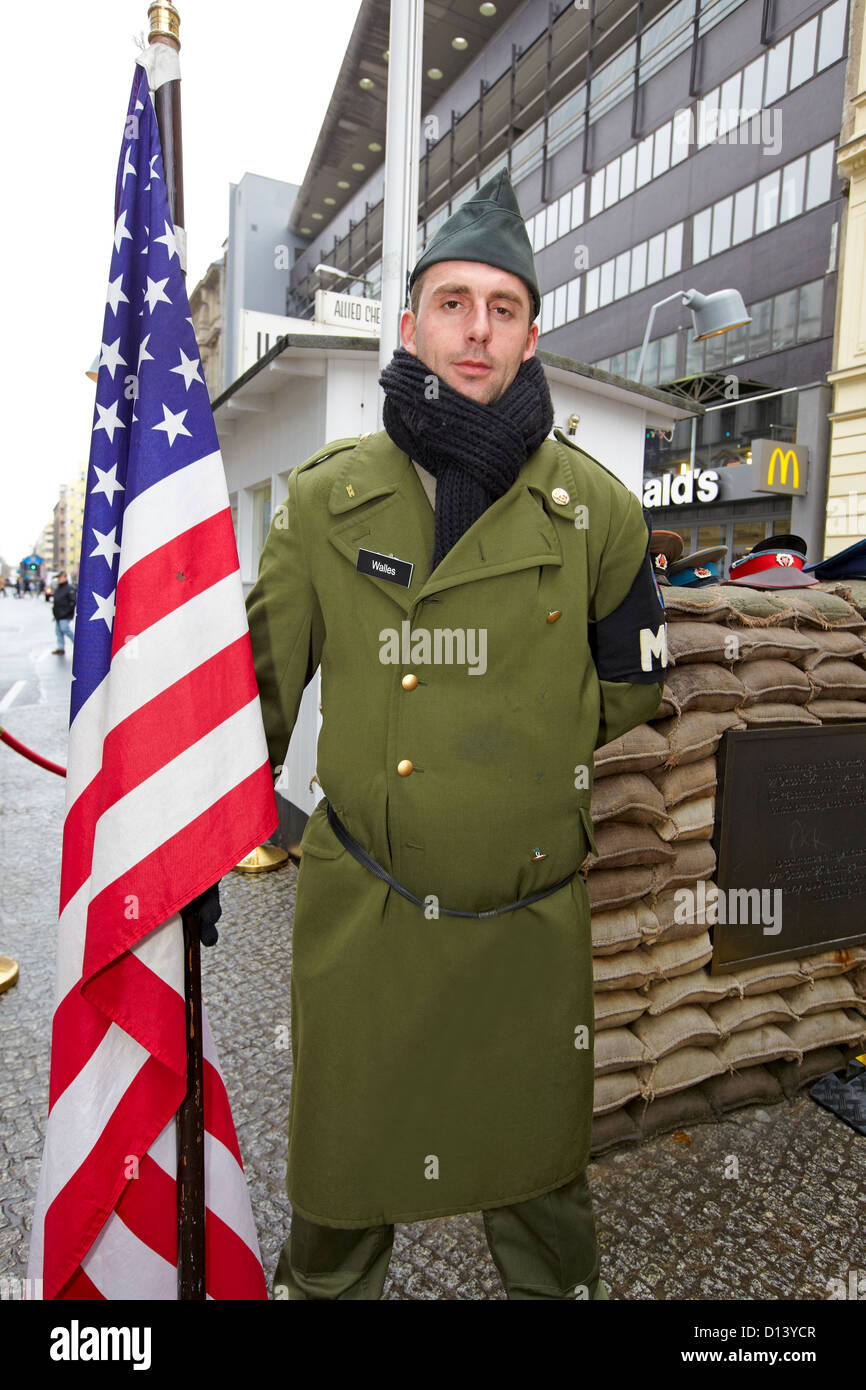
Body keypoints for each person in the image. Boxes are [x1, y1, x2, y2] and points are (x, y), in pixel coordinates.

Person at [244, 170, 668, 1300]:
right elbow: (260, 693)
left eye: (502, 306)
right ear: (410, 323)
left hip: (525, 928)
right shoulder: (325, 502)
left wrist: (518, 763)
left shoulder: (598, 512)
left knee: (540, 1200)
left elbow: (628, 688)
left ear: (533, 334)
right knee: (338, 1195)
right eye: (451, 301)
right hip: (368, 917)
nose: (475, 330)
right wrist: (197, 843)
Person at [51, 572, 76, 654]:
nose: (59, 579)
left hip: (65, 614)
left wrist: (66, 612)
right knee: (58, 632)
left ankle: (77, 644)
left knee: (65, 629)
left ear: (65, 578)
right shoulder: (58, 589)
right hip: (58, 614)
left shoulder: (69, 589)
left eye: (60, 577)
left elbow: (72, 602)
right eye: (58, 578)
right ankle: (60, 648)